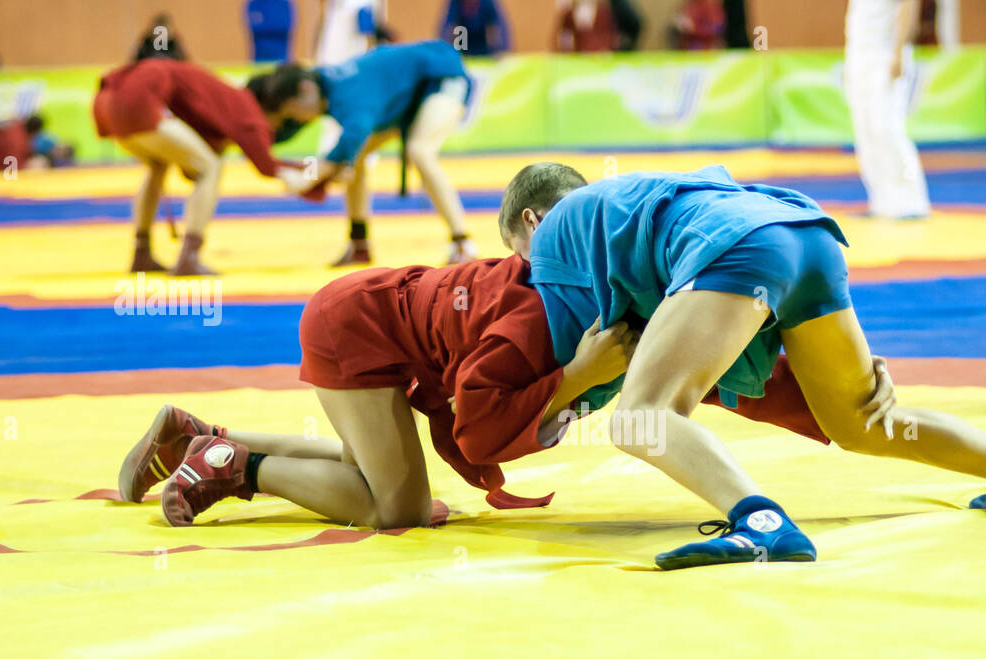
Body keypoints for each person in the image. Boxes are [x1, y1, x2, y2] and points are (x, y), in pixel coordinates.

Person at [503, 162, 986, 570]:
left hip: (739, 249)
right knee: (862, 420)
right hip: (804, 237)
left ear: (531, 222)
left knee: (639, 418)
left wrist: (545, 401)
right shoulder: (631, 201)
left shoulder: (555, 232)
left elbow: (592, 355)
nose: (527, 274)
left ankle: (761, 525)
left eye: (519, 258)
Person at [118, 255, 866, 530]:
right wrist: (576, 377)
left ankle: (193, 433)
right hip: (354, 324)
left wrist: (841, 406)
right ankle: (228, 463)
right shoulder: (546, 315)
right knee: (395, 508)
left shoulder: (594, 295)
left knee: (365, 466)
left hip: (365, 312)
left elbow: (713, 375)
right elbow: (478, 427)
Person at [250, 42, 477, 267]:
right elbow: (341, 150)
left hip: (442, 76)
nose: (296, 118)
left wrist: (308, 177)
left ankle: (462, 244)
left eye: (293, 111)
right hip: (406, 95)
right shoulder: (315, 84)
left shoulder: (347, 94)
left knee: (420, 150)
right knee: (355, 158)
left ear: (306, 90)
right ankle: (359, 245)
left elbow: (351, 138)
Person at [93, 58, 309, 275]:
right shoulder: (248, 110)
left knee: (158, 165)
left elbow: (192, 151)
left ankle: (141, 254)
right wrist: (313, 170)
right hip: (139, 98)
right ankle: (189, 256)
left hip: (107, 100)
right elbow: (267, 166)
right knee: (210, 168)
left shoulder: (223, 98)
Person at [844, 0, 931, 220]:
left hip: (885, 53)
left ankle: (912, 201)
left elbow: (909, 5)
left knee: (885, 126)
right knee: (865, 129)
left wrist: (900, 50)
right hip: (858, 53)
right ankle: (881, 201)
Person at [440, 0, 510, 56]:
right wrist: (446, 51)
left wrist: (501, 50)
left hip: (484, 49)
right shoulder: (455, 3)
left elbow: (499, 28)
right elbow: (447, 28)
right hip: (463, 46)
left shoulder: (488, 2)